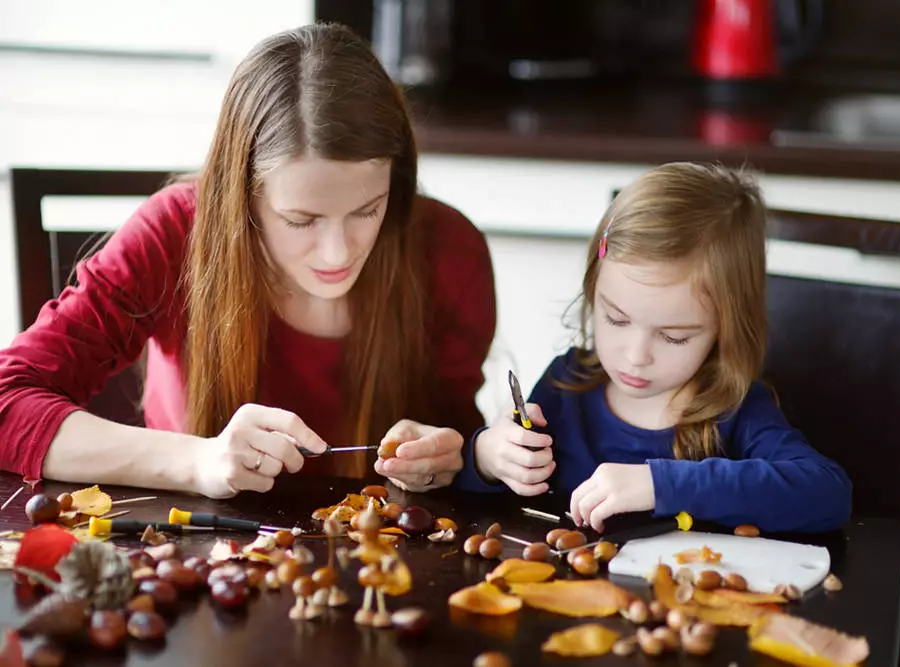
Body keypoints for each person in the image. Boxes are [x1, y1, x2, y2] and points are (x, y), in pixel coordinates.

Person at [0, 23, 496, 499]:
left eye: (367, 210)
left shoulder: (449, 250)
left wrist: (449, 459)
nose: (338, 252)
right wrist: (197, 461)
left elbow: (461, 442)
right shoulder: (173, 233)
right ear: (242, 198)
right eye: (301, 220)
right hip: (197, 553)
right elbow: (8, 402)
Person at [456, 162, 852, 534]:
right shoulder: (566, 383)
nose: (635, 355)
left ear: (725, 327)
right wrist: (489, 459)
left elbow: (827, 493)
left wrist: (661, 484)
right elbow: (489, 494)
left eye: (673, 336)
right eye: (616, 319)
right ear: (594, 291)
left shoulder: (735, 411)